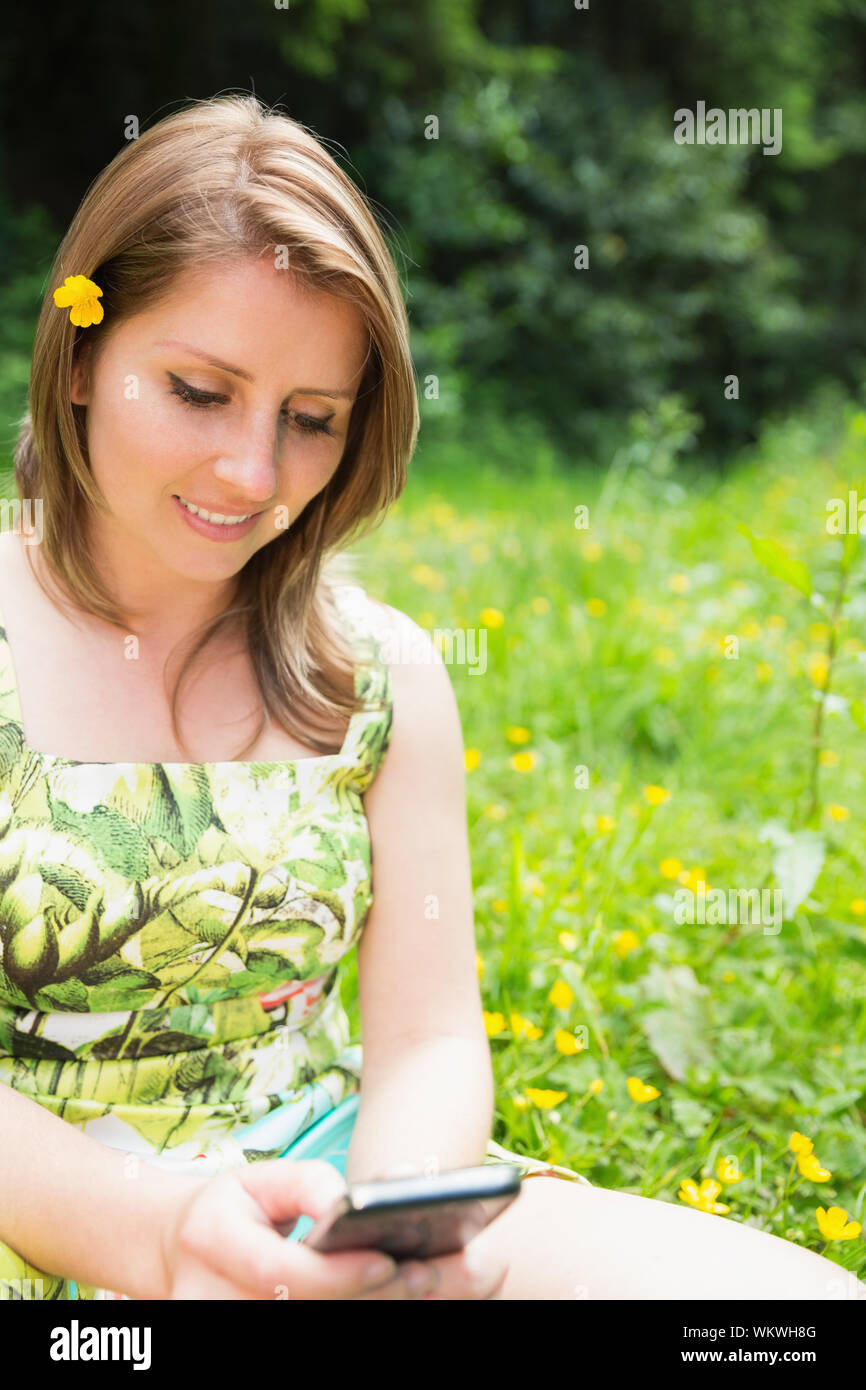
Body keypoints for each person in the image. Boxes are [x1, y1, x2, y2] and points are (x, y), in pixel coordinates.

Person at [0, 95, 860, 1302]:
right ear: (81, 356)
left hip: (310, 1182)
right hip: (40, 1217)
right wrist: (162, 1240)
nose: (252, 473)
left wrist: (380, 1230)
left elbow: (430, 1041)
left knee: (797, 1321)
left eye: (310, 422)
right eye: (198, 391)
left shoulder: (379, 671)